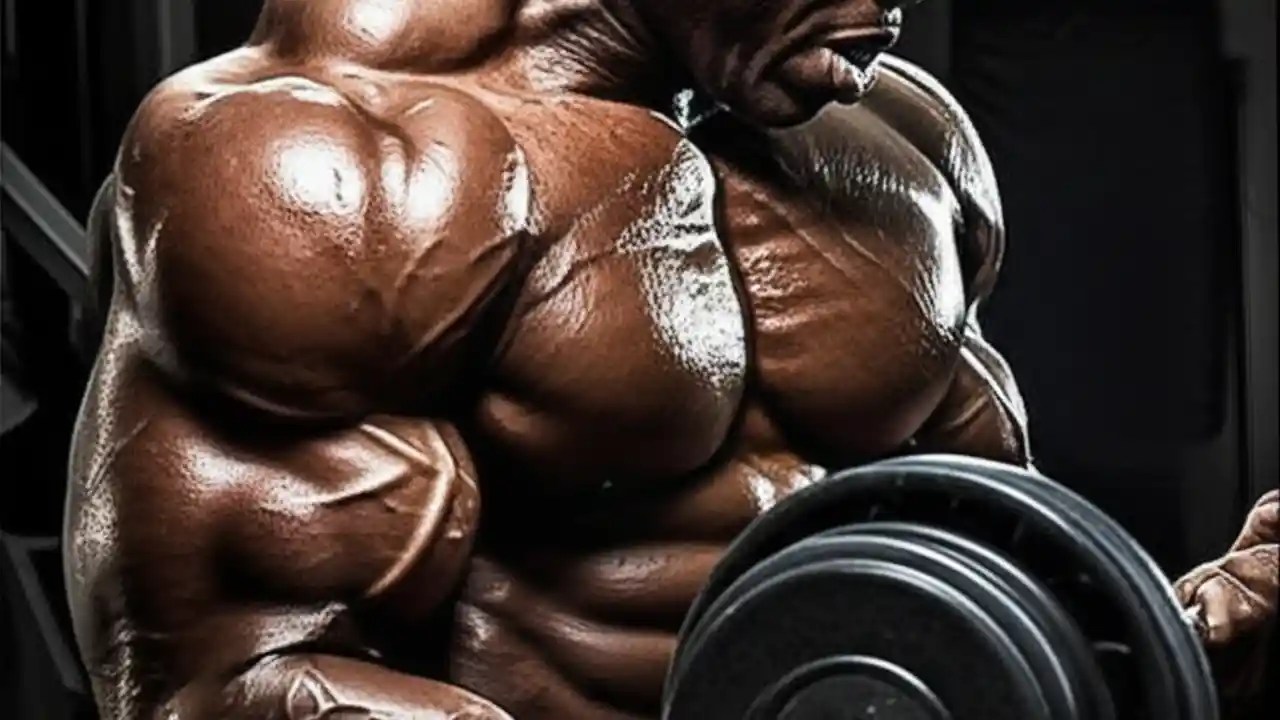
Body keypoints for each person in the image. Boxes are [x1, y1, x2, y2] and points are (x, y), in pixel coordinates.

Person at [63, 0, 1276, 718]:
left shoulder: (900, 143)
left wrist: (1174, 635)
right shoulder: (325, 165)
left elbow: (948, 606)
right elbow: (224, 690)